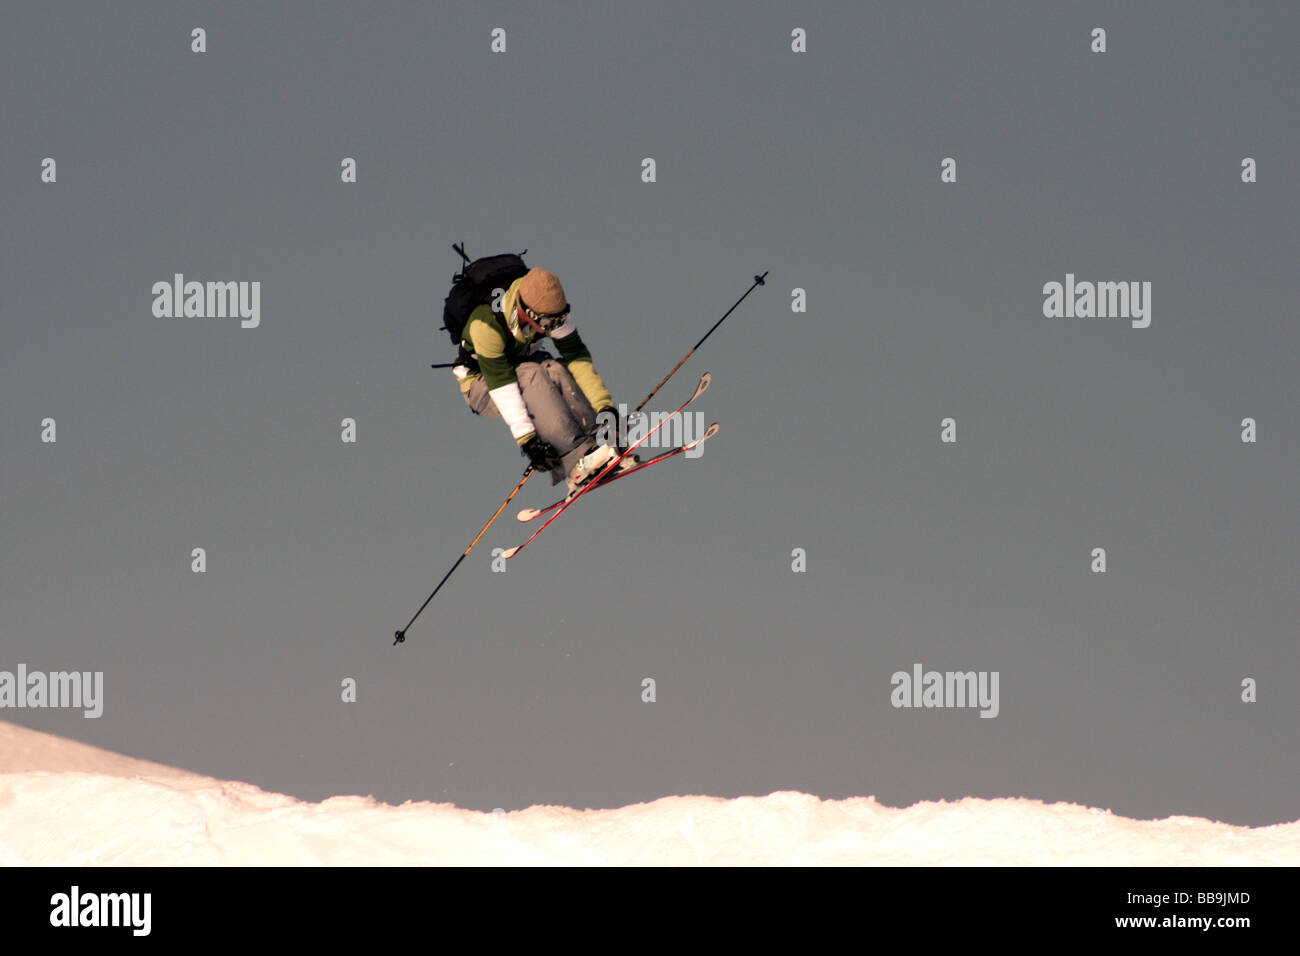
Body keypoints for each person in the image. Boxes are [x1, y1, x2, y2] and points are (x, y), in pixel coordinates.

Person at [453, 267, 631, 492]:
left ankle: (600, 444)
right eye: (549, 324)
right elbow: (502, 386)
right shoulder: (486, 324)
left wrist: (604, 407)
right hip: (482, 386)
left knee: (554, 368)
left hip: (521, 367)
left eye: (559, 321)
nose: (553, 327)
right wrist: (527, 440)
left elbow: (577, 360)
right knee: (532, 374)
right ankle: (575, 462)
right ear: (528, 312)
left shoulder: (550, 311)